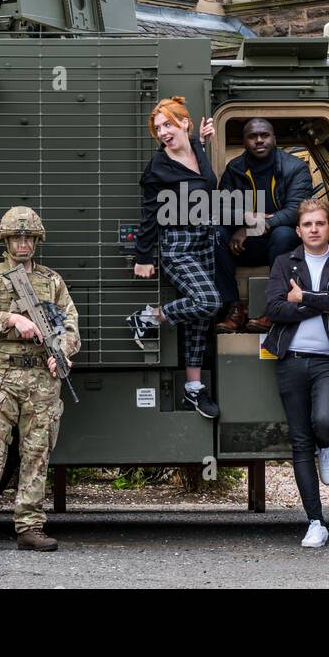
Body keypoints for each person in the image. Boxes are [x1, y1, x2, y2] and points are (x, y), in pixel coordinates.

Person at [0, 206, 80, 552]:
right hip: (2, 376)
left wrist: (63, 352)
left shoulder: (52, 281)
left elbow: (70, 325)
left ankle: (30, 526)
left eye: (28, 237)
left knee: (37, 453)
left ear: (36, 241)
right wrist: (12, 319)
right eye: (16, 237)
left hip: (42, 375)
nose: (22, 243)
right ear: (6, 240)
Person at [263, 199, 329, 549]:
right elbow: (274, 307)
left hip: (328, 360)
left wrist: (302, 297)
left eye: (320, 223)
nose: (315, 229)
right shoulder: (283, 262)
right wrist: (321, 302)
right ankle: (315, 521)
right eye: (308, 224)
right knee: (299, 441)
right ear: (299, 230)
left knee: (324, 423)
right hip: (290, 359)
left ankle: (328, 442)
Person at [127, 96, 221, 419]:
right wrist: (143, 255)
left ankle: (193, 388)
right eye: (158, 129)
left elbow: (203, 182)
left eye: (168, 124)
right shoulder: (158, 167)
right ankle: (148, 317)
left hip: (205, 241)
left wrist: (204, 143)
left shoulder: (196, 146)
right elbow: (150, 213)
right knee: (209, 300)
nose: (163, 132)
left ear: (184, 122)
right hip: (178, 244)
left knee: (200, 318)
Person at [213, 118, 313, 333]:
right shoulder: (235, 169)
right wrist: (246, 220)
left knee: (285, 234)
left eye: (264, 135)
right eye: (252, 136)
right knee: (216, 234)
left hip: (281, 245)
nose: (259, 140)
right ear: (244, 142)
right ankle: (233, 308)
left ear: (274, 138)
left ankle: (275, 308)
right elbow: (220, 209)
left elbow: (296, 211)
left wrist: (253, 226)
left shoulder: (295, 168)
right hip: (243, 246)